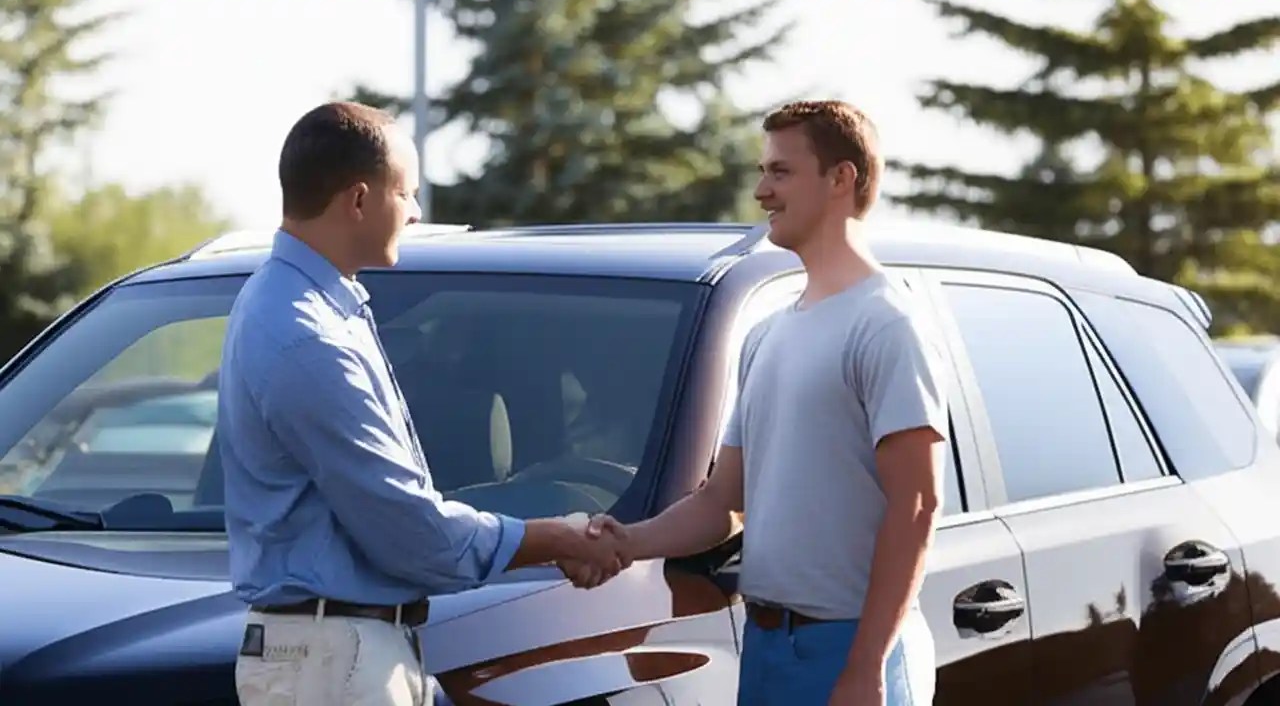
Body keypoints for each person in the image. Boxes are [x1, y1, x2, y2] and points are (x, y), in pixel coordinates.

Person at [217, 101, 626, 706]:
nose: (414, 211)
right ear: (359, 200)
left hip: (338, 654)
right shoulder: (308, 335)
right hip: (334, 664)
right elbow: (412, 532)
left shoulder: (299, 307)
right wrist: (559, 538)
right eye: (405, 192)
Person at [579, 100, 950, 705]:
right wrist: (626, 542)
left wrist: (866, 666)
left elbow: (916, 507)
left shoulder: (887, 325)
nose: (761, 190)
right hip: (768, 648)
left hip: (851, 652)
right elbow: (724, 502)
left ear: (841, 179)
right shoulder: (766, 334)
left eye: (780, 172)